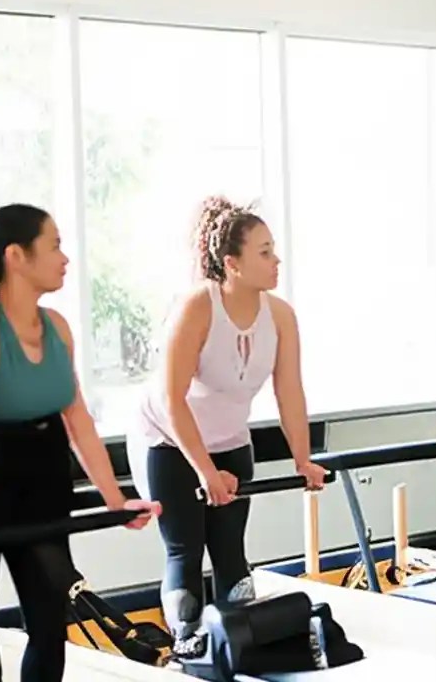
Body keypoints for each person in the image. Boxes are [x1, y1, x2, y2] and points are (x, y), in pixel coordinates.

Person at [0, 204, 159, 682]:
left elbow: (78, 420)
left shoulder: (58, 328)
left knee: (50, 626)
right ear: (16, 256)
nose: (65, 258)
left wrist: (116, 500)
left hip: (44, 481)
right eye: (54, 246)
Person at [127, 196, 327, 657]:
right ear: (232, 264)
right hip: (169, 441)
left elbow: (289, 391)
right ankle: (188, 644)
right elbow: (170, 399)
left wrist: (302, 460)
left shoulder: (280, 316)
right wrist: (205, 472)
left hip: (231, 440)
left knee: (231, 551)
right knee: (186, 549)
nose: (276, 260)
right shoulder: (197, 308)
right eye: (264, 252)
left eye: (274, 249)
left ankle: (237, 644)